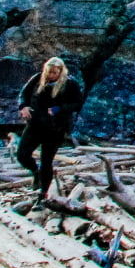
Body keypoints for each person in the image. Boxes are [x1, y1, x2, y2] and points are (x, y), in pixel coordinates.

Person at [17, 57, 84, 197]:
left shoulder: (70, 83)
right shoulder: (37, 79)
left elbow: (78, 104)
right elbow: (24, 94)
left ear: (60, 71)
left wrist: (59, 109)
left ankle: (43, 192)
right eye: (49, 72)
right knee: (22, 154)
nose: (51, 75)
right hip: (35, 124)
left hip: (55, 128)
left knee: (46, 161)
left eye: (54, 73)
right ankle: (35, 171)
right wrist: (23, 106)